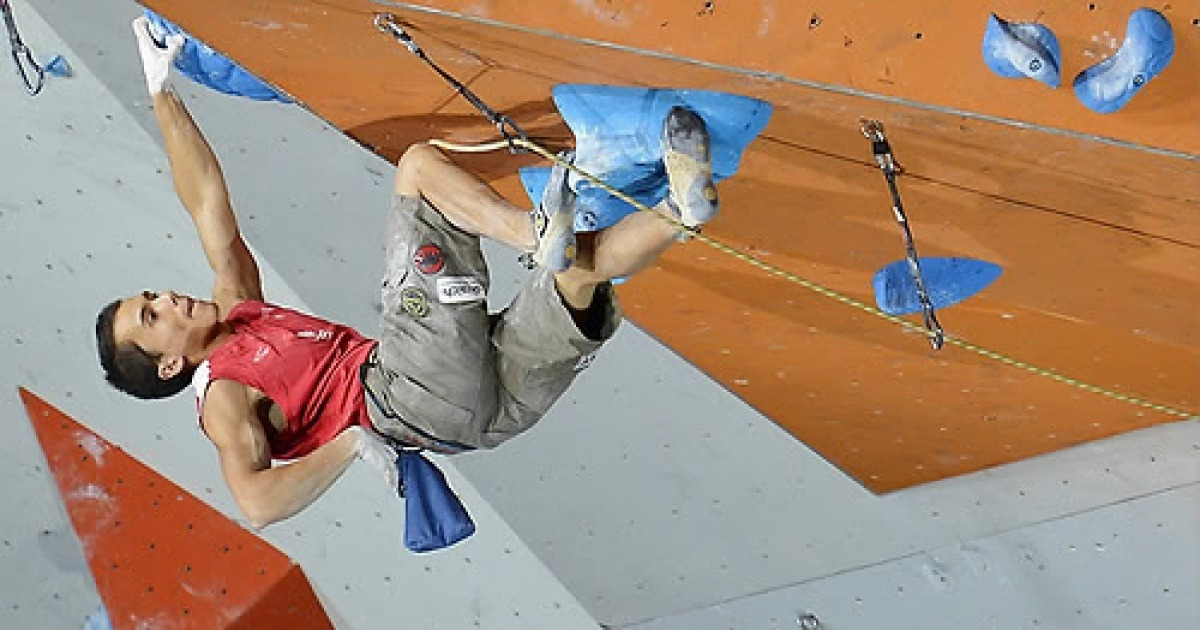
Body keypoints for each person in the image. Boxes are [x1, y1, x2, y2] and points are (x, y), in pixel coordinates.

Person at [95, 17, 719, 528]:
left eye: (152, 295)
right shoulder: (221, 399)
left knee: (580, 274)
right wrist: (349, 445)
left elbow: (207, 203)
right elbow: (256, 505)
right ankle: (535, 234)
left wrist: (161, 91)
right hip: (405, 392)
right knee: (418, 171)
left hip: (479, 419)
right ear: (169, 365)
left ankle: (682, 209)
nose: (168, 298)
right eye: (152, 316)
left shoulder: (238, 310)